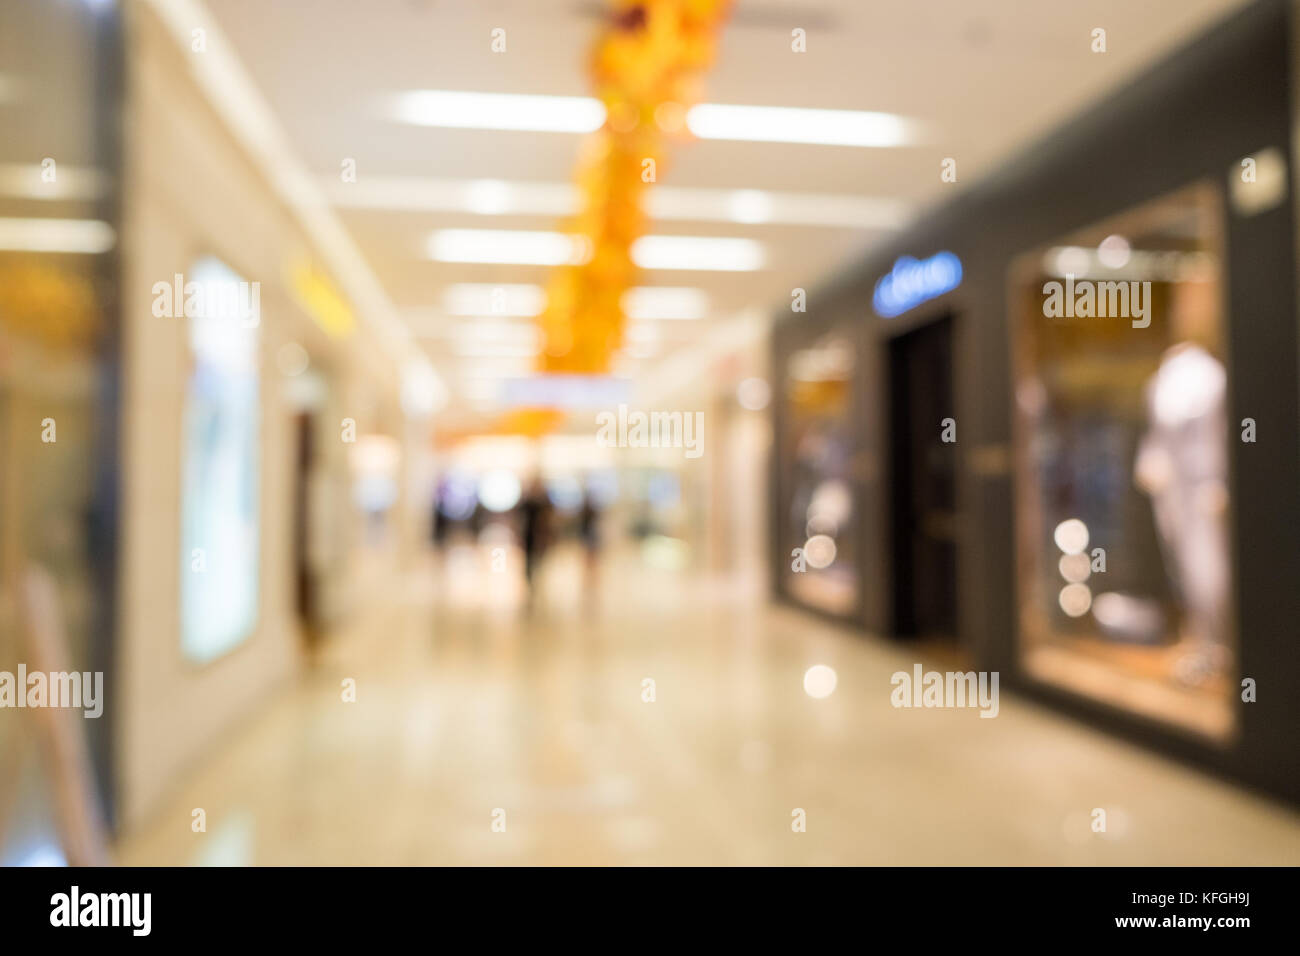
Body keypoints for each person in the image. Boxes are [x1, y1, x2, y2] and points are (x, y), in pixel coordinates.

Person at [518, 479, 552, 604]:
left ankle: (536, 578)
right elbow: (520, 518)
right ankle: (530, 581)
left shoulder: (544, 502)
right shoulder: (527, 502)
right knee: (528, 560)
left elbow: (549, 519)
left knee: (539, 559)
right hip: (528, 535)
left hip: (540, 536)